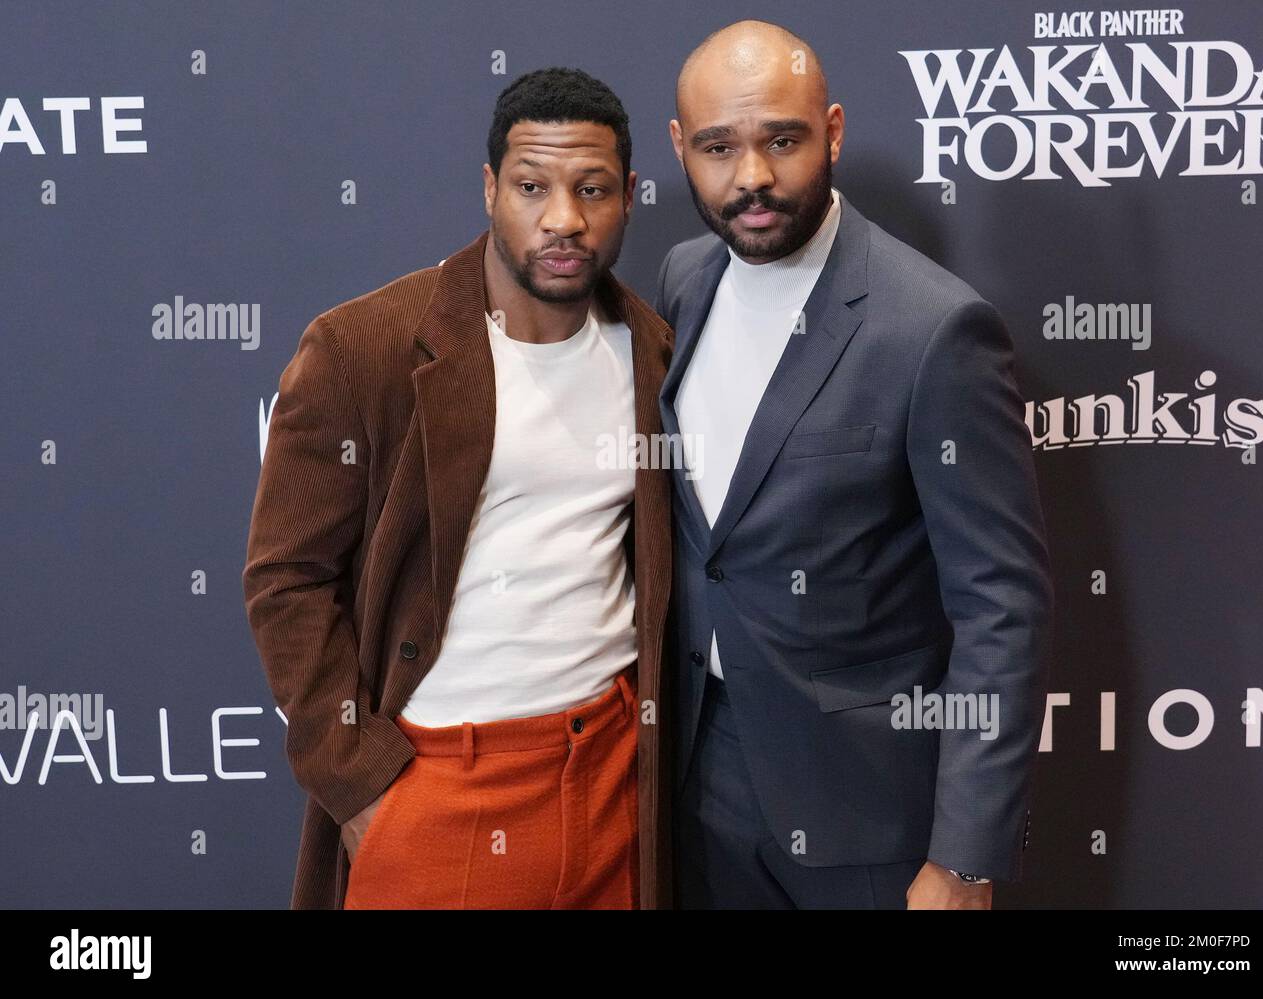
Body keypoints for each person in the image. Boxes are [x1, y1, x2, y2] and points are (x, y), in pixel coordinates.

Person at [243, 67, 675, 909]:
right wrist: (363, 784)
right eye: (530, 186)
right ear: (488, 190)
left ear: (628, 195)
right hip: (442, 787)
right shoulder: (363, 346)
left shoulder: (650, 347)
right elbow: (284, 579)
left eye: (591, 189)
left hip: (616, 773)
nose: (563, 219)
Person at [655, 19, 1054, 909]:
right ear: (682, 149)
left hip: (871, 810)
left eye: (782, 140)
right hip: (697, 776)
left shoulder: (934, 328)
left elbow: (1002, 607)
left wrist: (965, 857)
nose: (750, 176)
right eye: (719, 147)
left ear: (832, 132)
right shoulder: (685, 278)